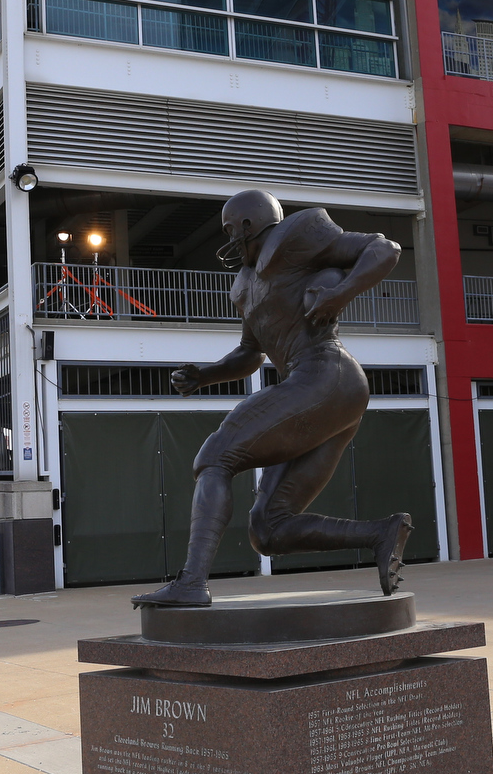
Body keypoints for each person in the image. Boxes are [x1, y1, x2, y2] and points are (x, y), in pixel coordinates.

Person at [132, 190, 413, 608]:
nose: (227, 238)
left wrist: (343, 292)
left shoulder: (299, 239)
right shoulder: (247, 284)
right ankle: (380, 533)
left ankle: (192, 582)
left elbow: (384, 247)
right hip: (327, 390)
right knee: (268, 529)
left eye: (230, 229)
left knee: (215, 457)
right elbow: (250, 354)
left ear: (248, 225)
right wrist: (204, 376)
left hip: (324, 373)